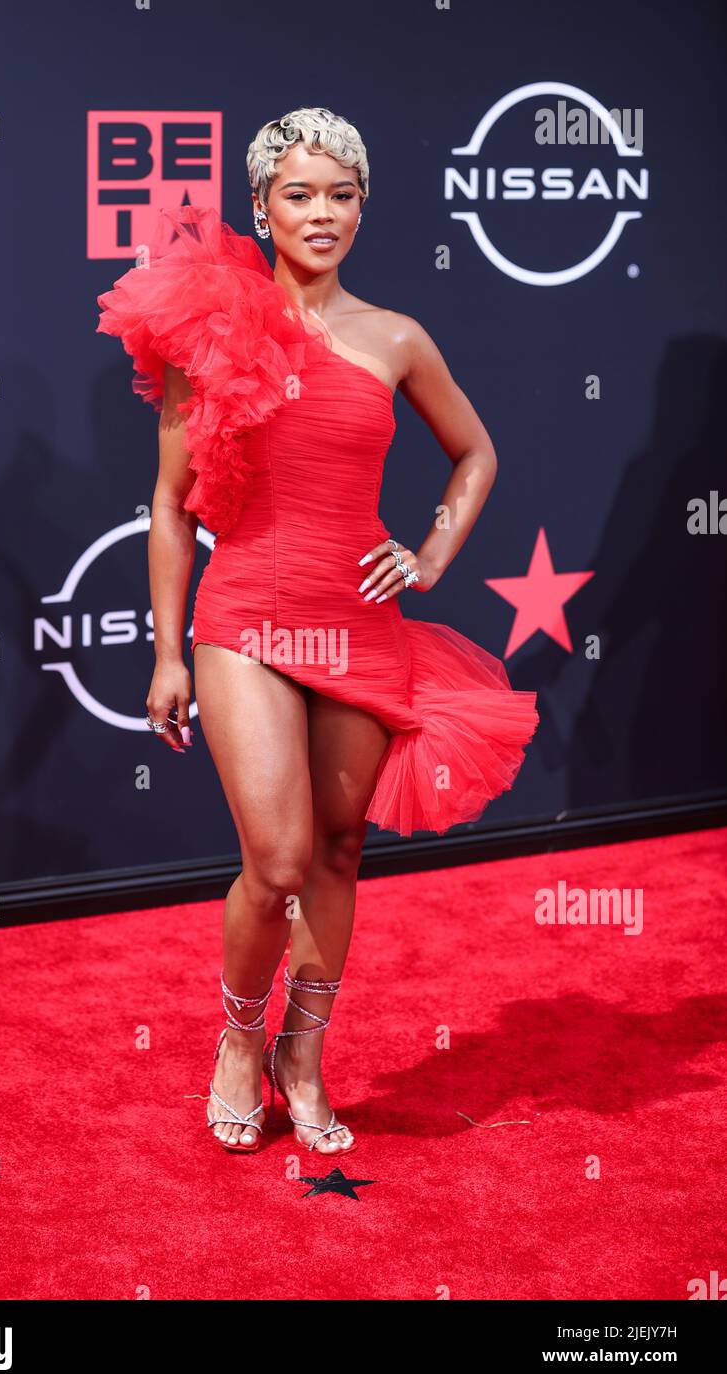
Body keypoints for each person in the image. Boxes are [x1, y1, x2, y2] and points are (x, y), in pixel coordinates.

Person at [97, 106, 539, 1157]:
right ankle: (239, 1040)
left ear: (363, 207)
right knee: (281, 860)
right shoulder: (206, 330)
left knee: (339, 851)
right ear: (261, 208)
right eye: (298, 194)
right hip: (245, 620)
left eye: (341, 194)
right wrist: (166, 652)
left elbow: (475, 454)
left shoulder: (397, 337)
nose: (322, 212)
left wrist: (429, 556)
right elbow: (170, 505)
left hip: (359, 624)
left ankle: (303, 1054)